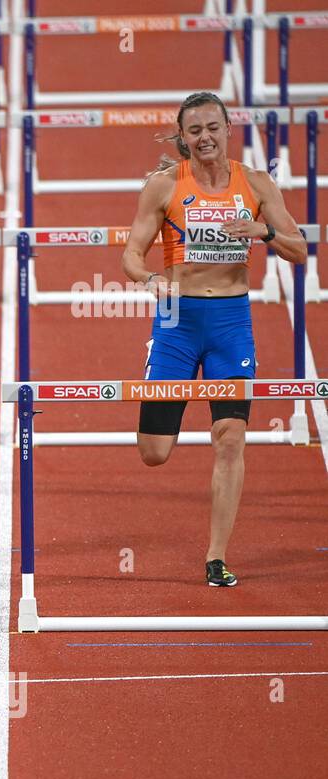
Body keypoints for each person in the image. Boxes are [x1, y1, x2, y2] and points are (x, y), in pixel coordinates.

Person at [123, 91, 306, 587]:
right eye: (195, 130)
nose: (205, 137)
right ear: (183, 138)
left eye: (212, 127)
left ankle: (216, 556)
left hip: (231, 322)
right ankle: (156, 366)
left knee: (230, 439)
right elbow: (132, 254)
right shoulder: (163, 186)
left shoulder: (257, 183)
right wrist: (147, 281)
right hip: (175, 319)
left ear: (229, 129)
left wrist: (261, 231)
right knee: (154, 452)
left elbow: (300, 249)